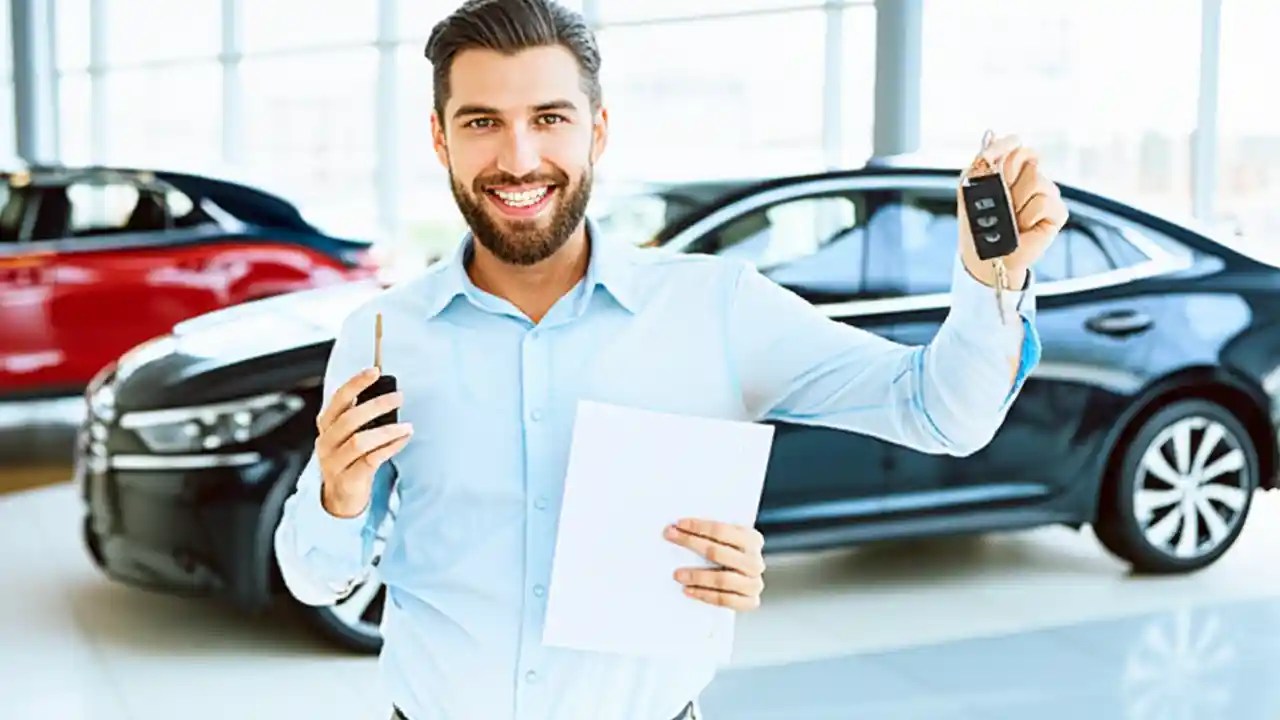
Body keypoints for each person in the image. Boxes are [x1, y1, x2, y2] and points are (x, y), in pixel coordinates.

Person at [273, 0, 1068, 718]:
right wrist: (337, 499)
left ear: (599, 130)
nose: (518, 158)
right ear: (441, 137)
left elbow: (942, 412)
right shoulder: (383, 334)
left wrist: (992, 275)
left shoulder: (716, 308)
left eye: (550, 118)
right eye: (483, 122)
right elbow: (315, 578)